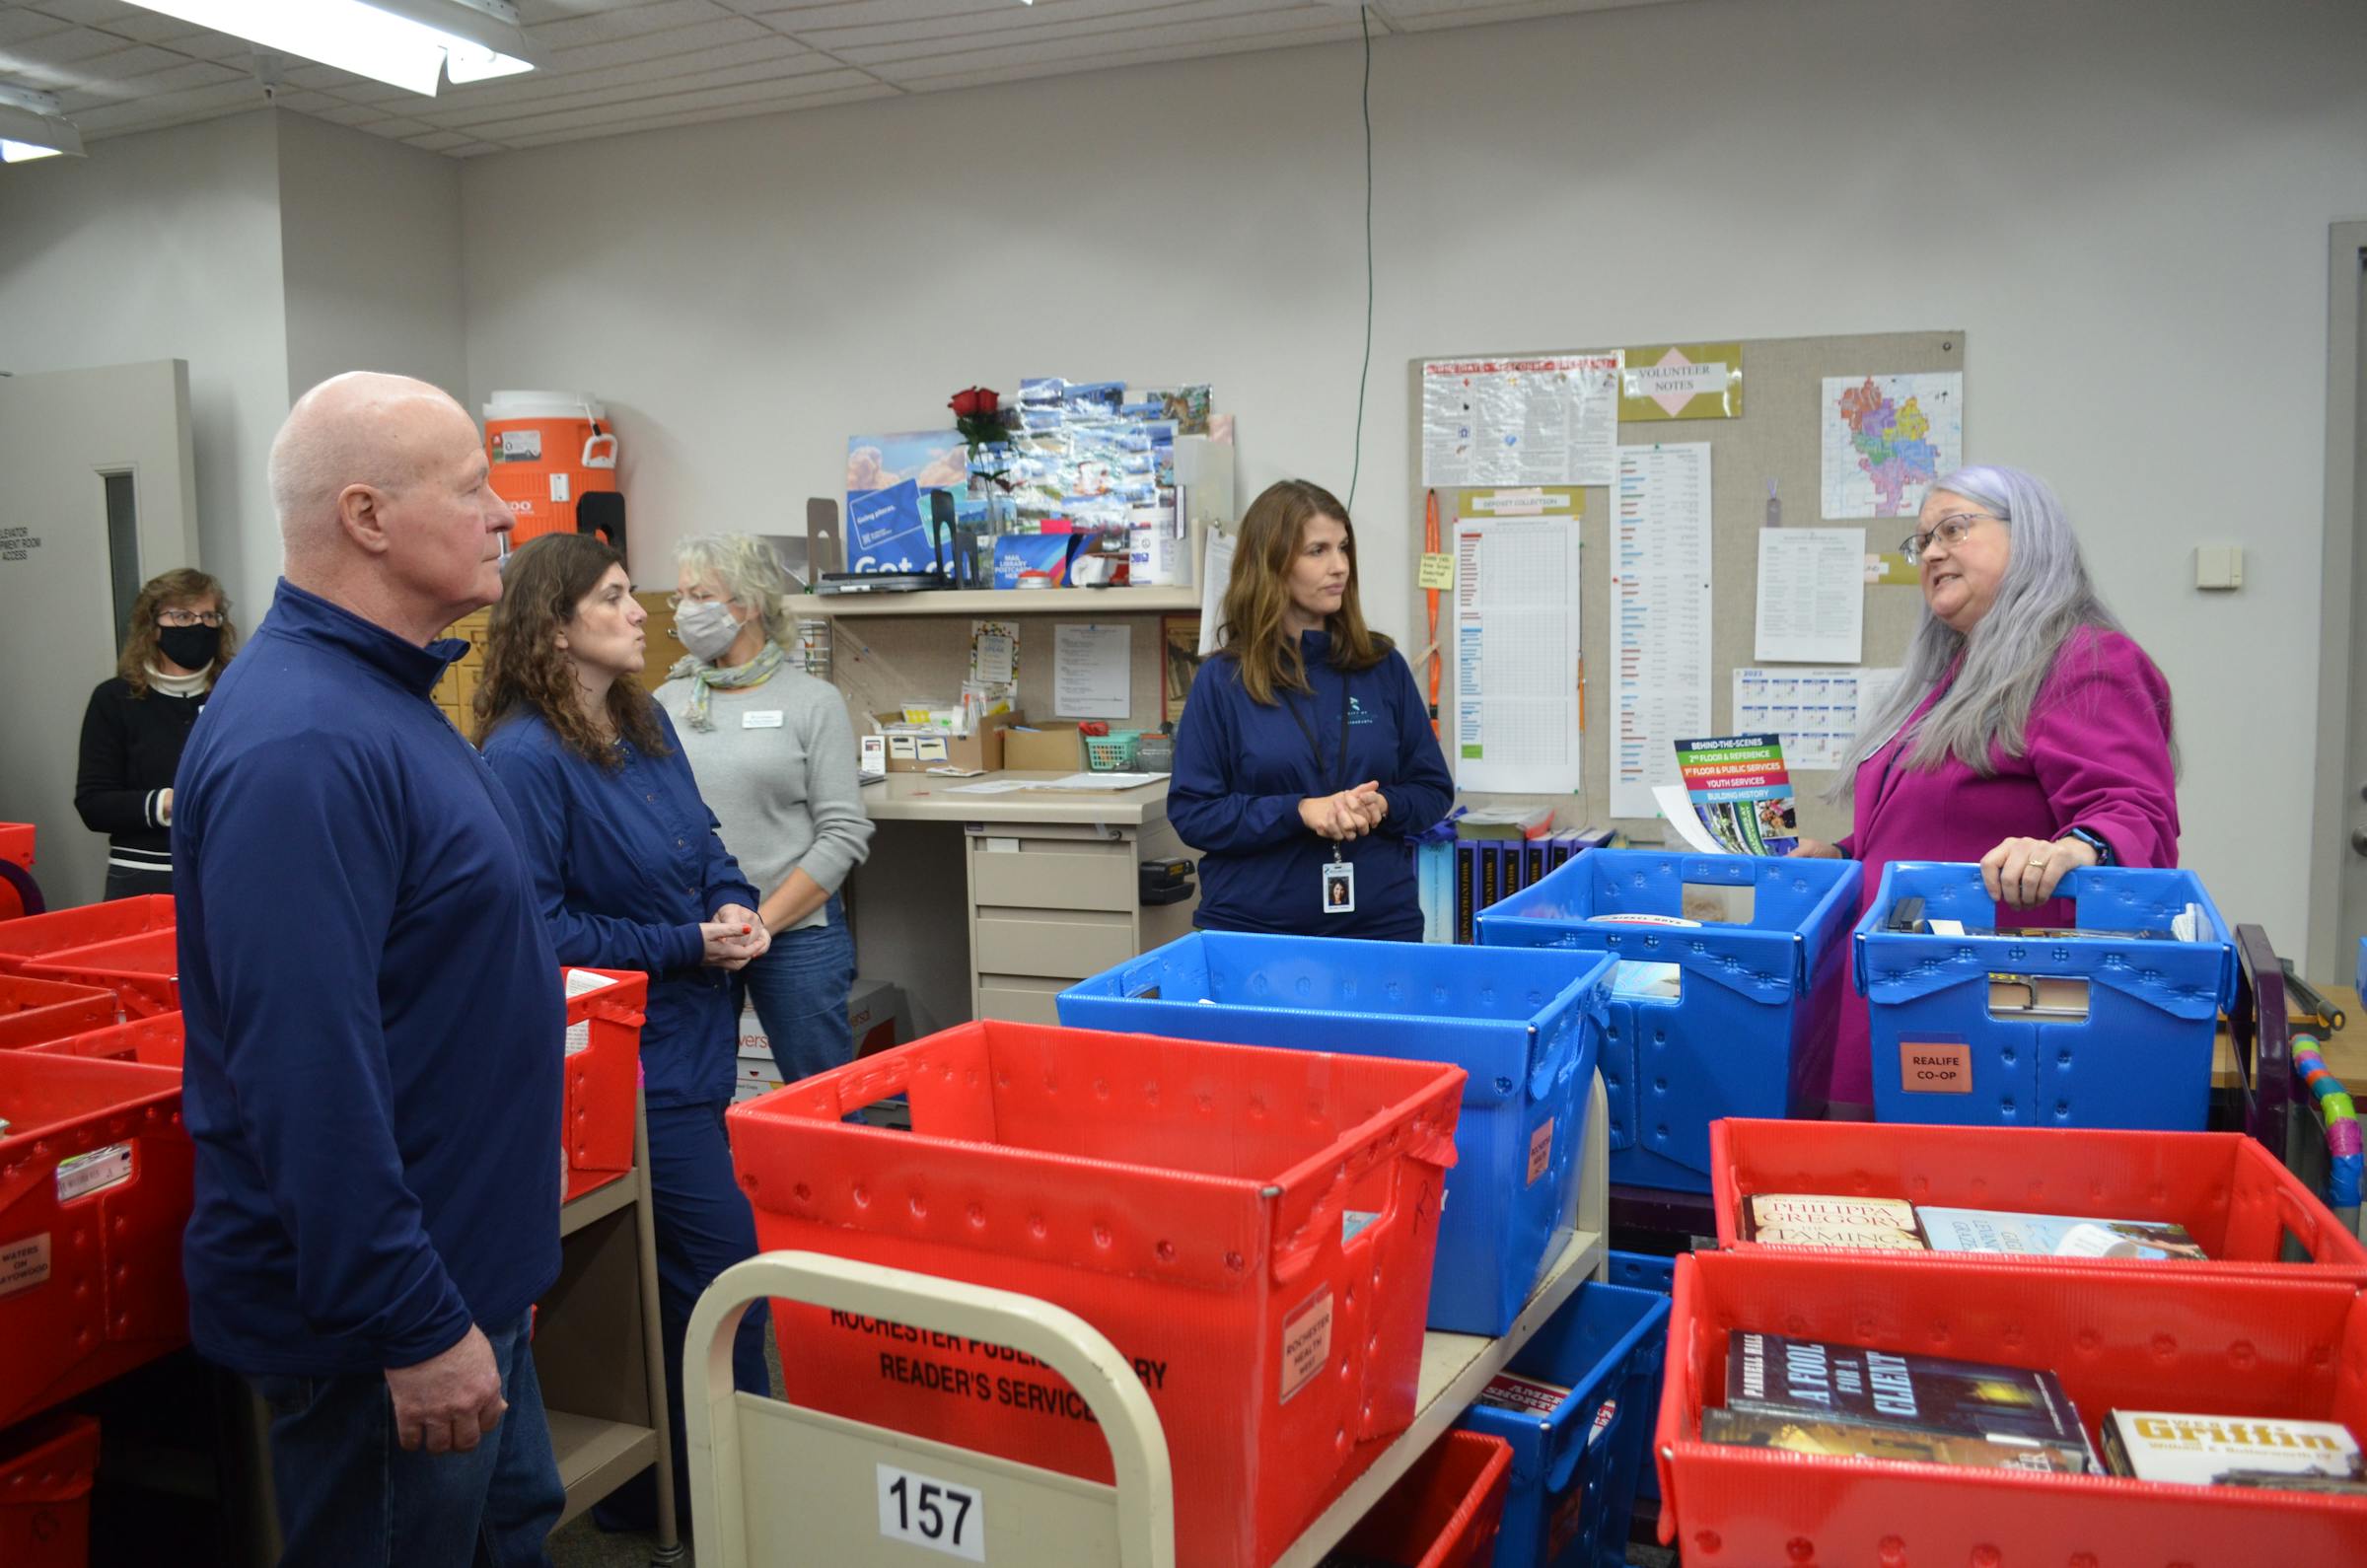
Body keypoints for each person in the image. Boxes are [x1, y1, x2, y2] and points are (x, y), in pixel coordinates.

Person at [174, 372, 567, 1565]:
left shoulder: (386, 698)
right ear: (366, 517)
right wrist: (419, 1322)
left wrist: (501, 1262)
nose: (506, 514)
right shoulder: (302, 742)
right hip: (386, 1331)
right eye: (471, 488)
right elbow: (304, 1075)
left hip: (463, 1282)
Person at [475, 532, 770, 1531]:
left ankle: (702, 1490)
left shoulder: (643, 721)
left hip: (695, 1037)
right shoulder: (521, 758)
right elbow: (544, 932)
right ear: (554, 629)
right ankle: (715, 1502)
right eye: (611, 598)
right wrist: (689, 942)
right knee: (729, 1267)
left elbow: (708, 846)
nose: (640, 610)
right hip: (623, 1065)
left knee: (698, 1274)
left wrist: (733, 906)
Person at [1791, 465, 2179, 1112]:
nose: (1933, 552)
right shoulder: (1954, 676)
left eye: (1953, 529)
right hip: (1891, 991)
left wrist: (2072, 850)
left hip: (1978, 1015)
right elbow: (1934, 823)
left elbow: (2135, 809)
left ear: (2030, 538)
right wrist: (1842, 855)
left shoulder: (2081, 660)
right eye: (1922, 541)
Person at [1169, 478, 1454, 940]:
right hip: (1256, 929)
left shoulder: (1381, 666)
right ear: (1272, 564)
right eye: (1317, 551)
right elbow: (1194, 813)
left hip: (1379, 924)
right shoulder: (1223, 681)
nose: (1340, 566)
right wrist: (1299, 811)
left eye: (1343, 548)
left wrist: (1382, 805)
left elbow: (1432, 789)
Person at [656, 534, 874, 1085]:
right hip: (697, 935)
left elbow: (843, 832)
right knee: (695, 1091)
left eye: (700, 595)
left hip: (797, 931)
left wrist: (760, 924)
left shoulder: (811, 701)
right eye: (680, 597)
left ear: (748, 605)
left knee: (823, 1094)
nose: (685, 611)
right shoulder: (667, 701)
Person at [74, 568, 238, 897]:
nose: (198, 626)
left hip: (227, 871)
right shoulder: (114, 699)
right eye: (181, 616)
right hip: (143, 880)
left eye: (209, 616)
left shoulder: (238, 693)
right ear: (153, 628)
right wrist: (168, 803)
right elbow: (93, 803)